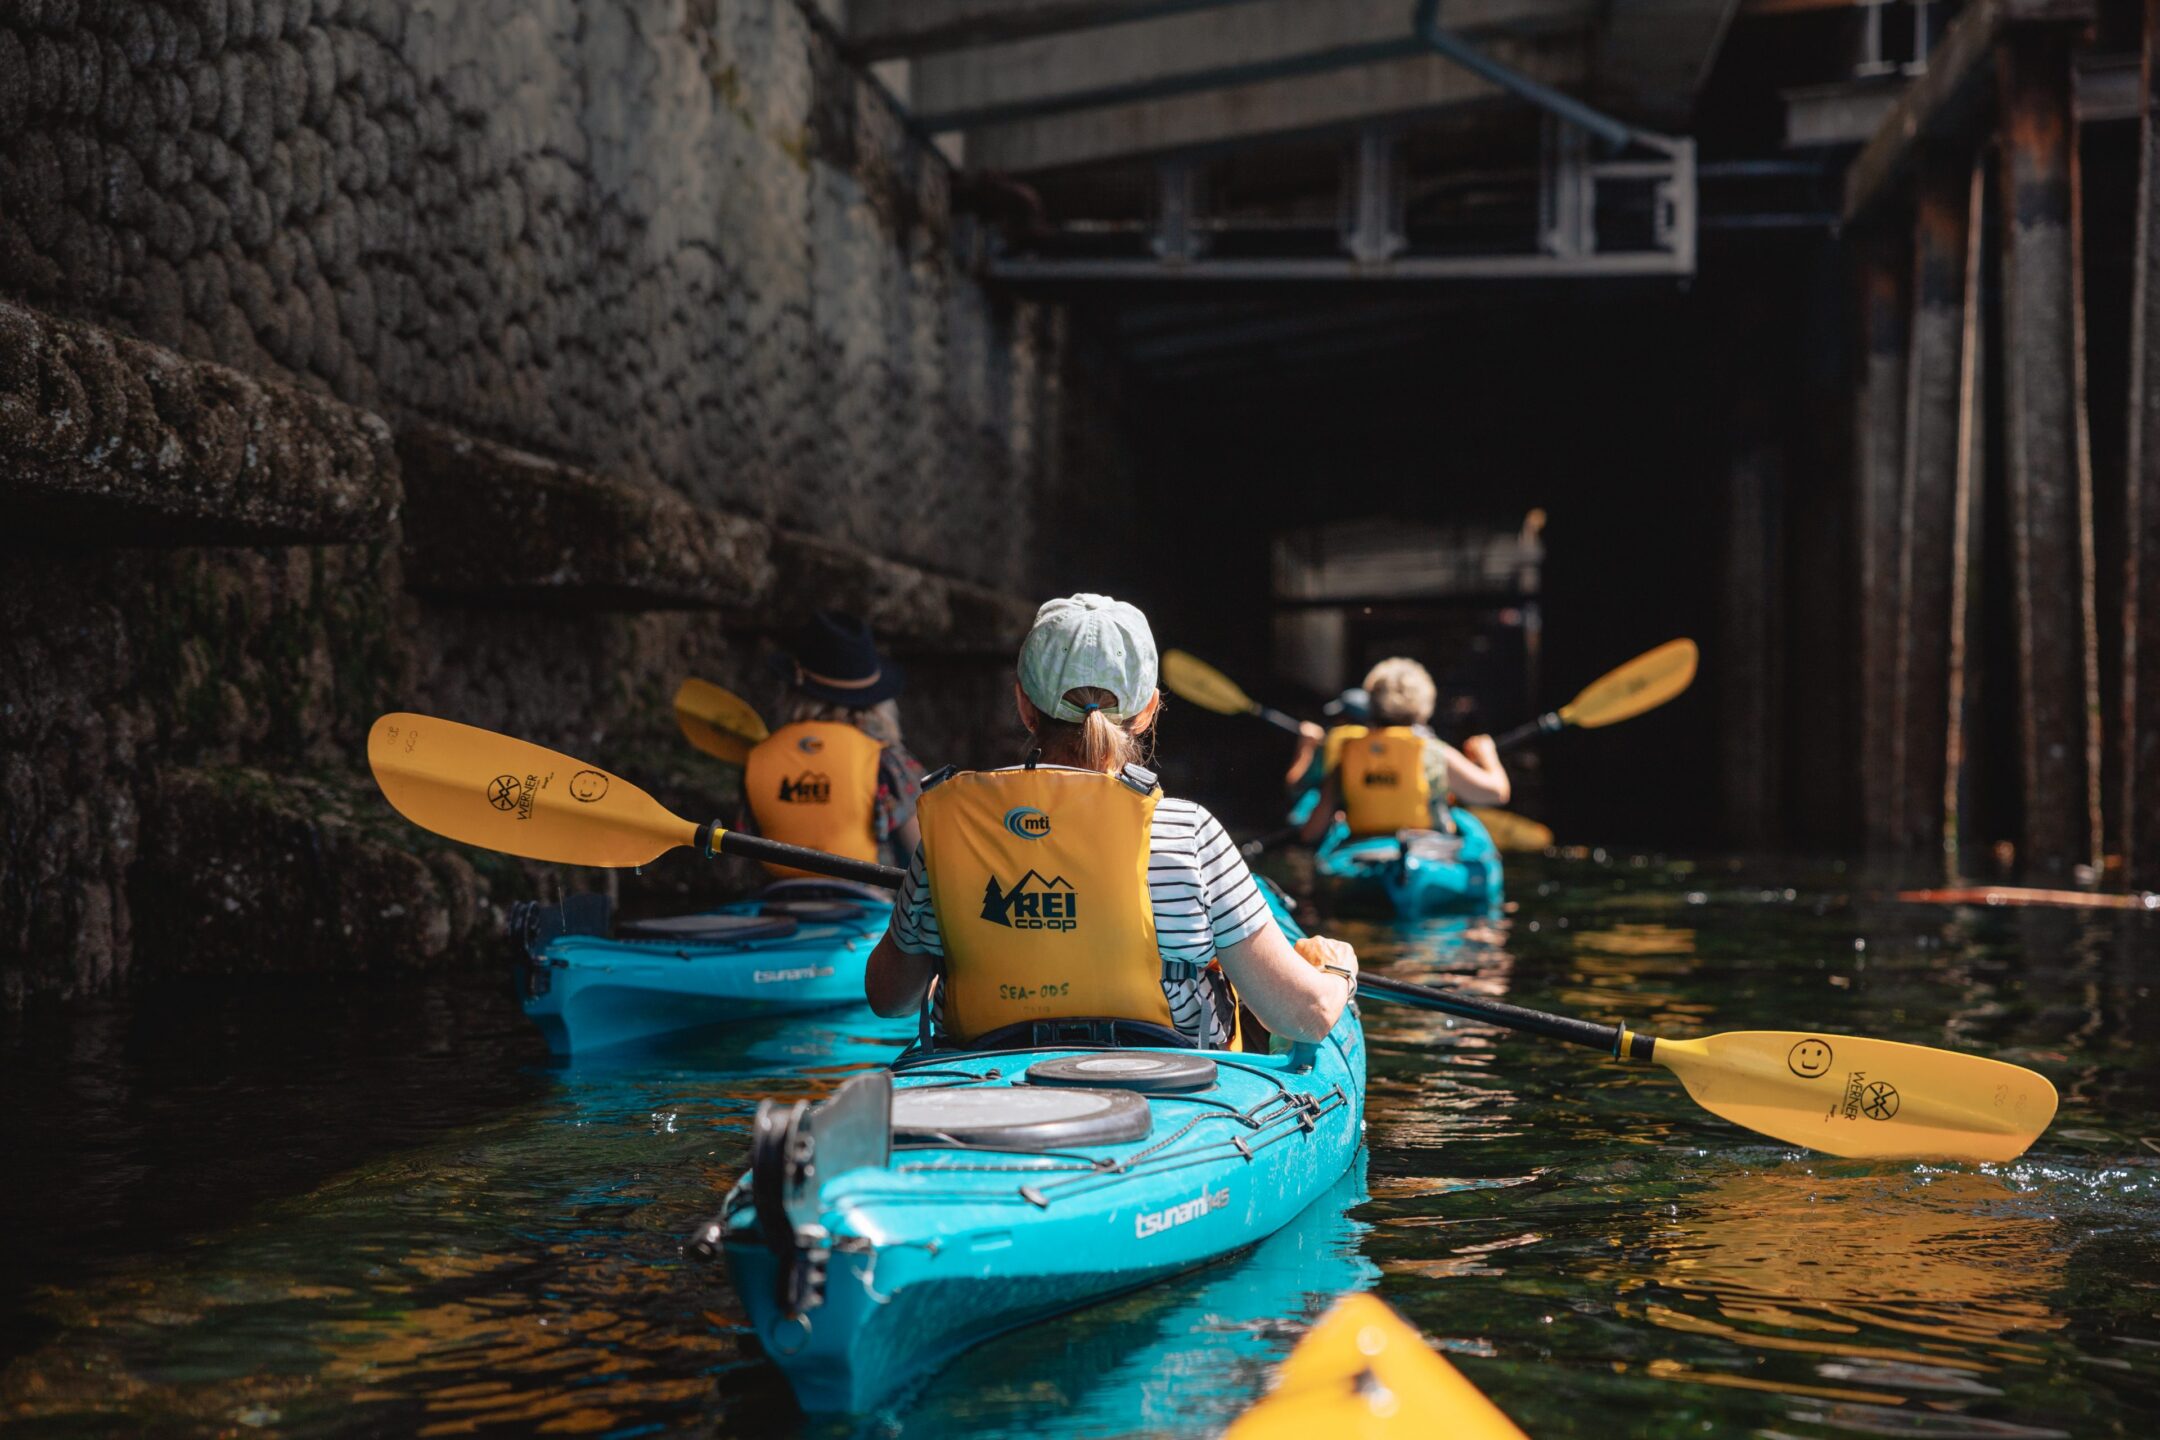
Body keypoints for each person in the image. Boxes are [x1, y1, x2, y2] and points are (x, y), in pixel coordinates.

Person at [864, 594, 1359, 1051]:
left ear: (1023, 705)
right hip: (1169, 1088)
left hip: (989, 1073)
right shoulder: (1188, 831)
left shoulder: (954, 826)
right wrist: (1339, 969)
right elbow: (1304, 1016)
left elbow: (890, 1000)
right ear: (1146, 711)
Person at [739, 611, 925, 876]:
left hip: (778, 902)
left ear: (791, 691)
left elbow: (742, 854)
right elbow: (928, 855)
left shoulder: (758, 757)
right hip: (864, 903)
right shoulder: (887, 761)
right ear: (878, 702)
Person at [1298, 656, 1509, 844]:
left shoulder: (1348, 753)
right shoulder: (1433, 752)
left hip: (1363, 857)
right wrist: (1488, 756)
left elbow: (1311, 832)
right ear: (1422, 703)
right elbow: (1496, 793)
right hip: (1422, 856)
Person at [1284, 687, 1371, 826]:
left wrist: (1306, 746)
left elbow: (1294, 784)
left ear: (1343, 720)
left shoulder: (1331, 744)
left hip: (1327, 823)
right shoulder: (1380, 750)